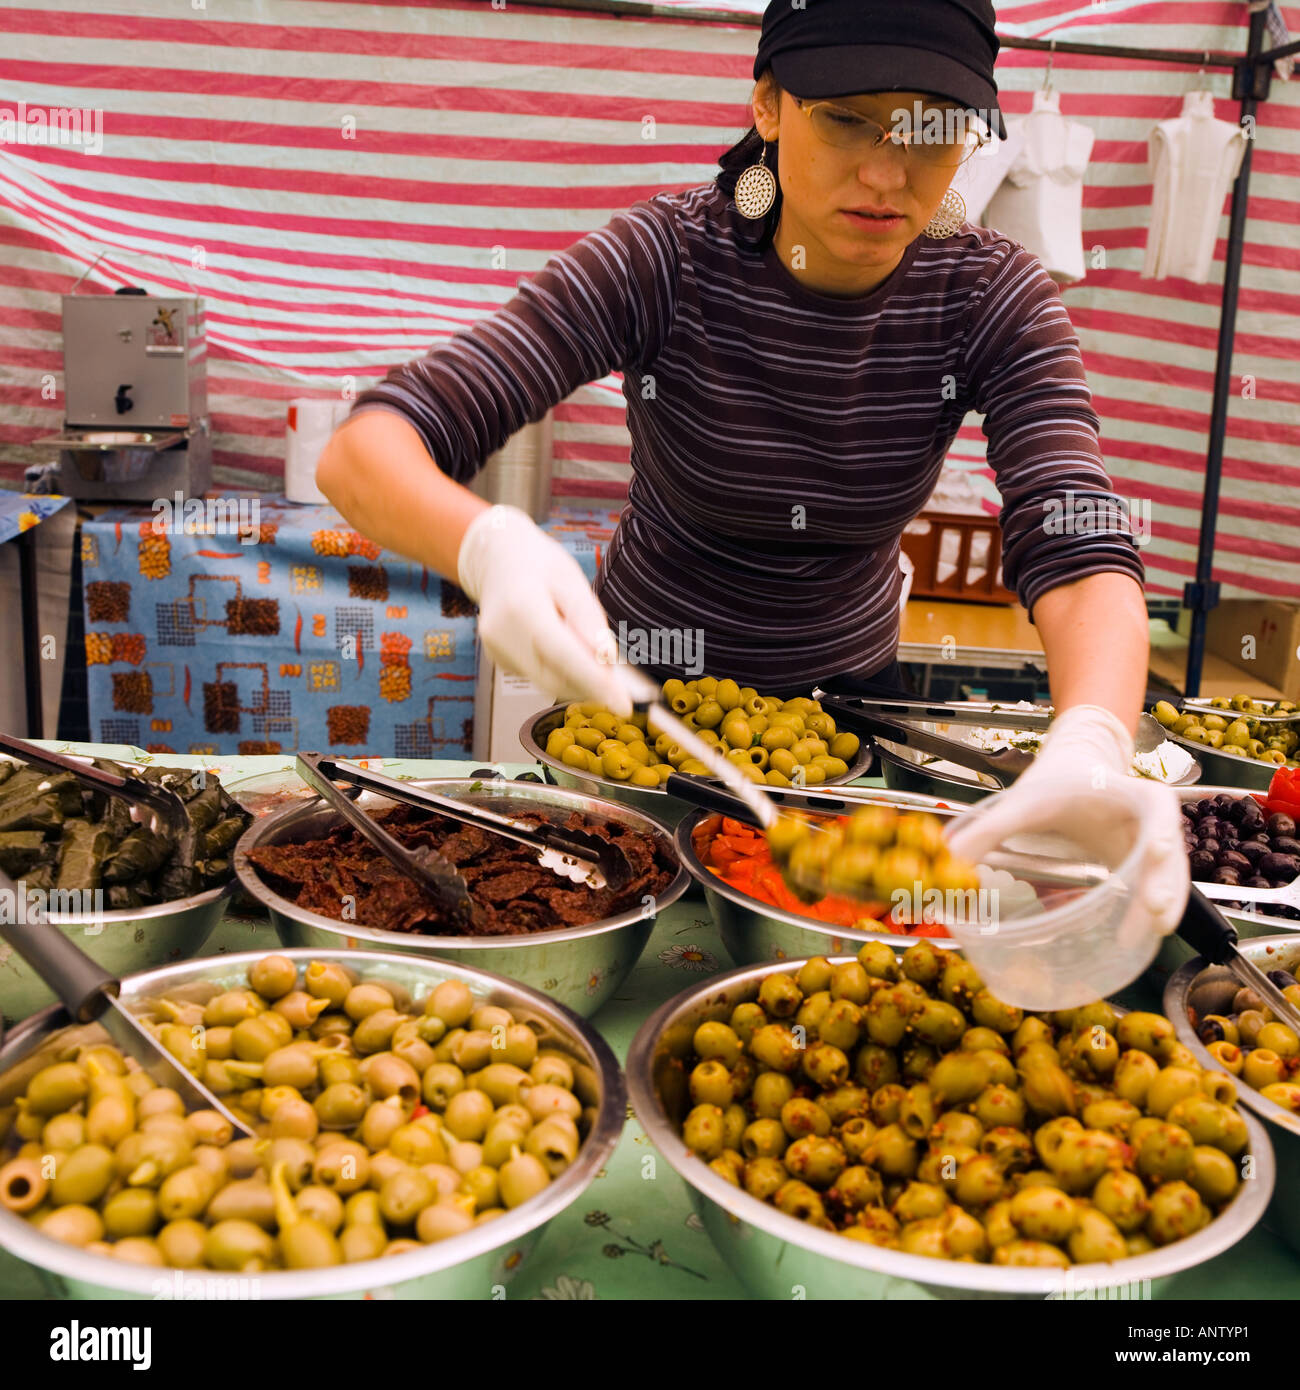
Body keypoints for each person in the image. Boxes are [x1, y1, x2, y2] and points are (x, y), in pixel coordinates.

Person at [318, 0, 1188, 942]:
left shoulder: (988, 295)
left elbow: (1075, 534)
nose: (887, 173)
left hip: (839, 737)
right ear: (769, 104)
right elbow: (367, 448)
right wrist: (486, 547)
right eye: (848, 117)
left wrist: (1095, 738)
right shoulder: (666, 260)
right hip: (635, 729)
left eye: (932, 134)